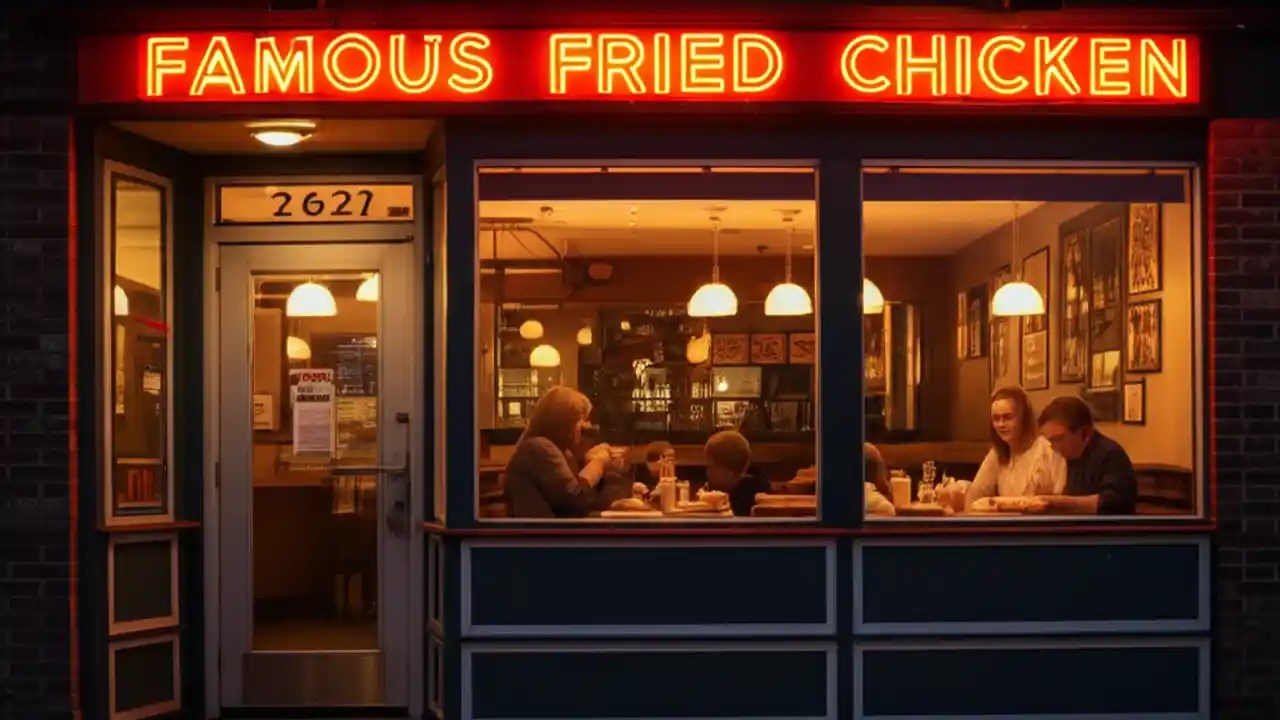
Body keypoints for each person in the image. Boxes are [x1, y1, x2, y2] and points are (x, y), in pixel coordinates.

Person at [503, 386, 623, 518]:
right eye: (581, 419)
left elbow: (592, 503)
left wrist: (608, 471)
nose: (586, 426)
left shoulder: (562, 453)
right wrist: (598, 464)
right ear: (564, 422)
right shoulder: (539, 448)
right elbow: (575, 506)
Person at [966, 386, 1066, 507]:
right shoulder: (997, 453)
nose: (1001, 424)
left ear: (1023, 418)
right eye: (996, 419)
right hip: (1008, 523)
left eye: (1008, 417)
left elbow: (1061, 499)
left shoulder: (1047, 450)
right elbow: (975, 496)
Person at [1036, 395, 1137, 514]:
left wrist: (1058, 503)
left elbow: (1113, 504)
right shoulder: (1072, 456)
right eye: (1050, 441)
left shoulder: (1111, 454)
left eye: (1058, 439)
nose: (1053, 447)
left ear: (1085, 433)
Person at [703, 430, 770, 517]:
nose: (707, 472)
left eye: (711, 466)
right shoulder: (758, 486)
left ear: (728, 471)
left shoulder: (741, 505)